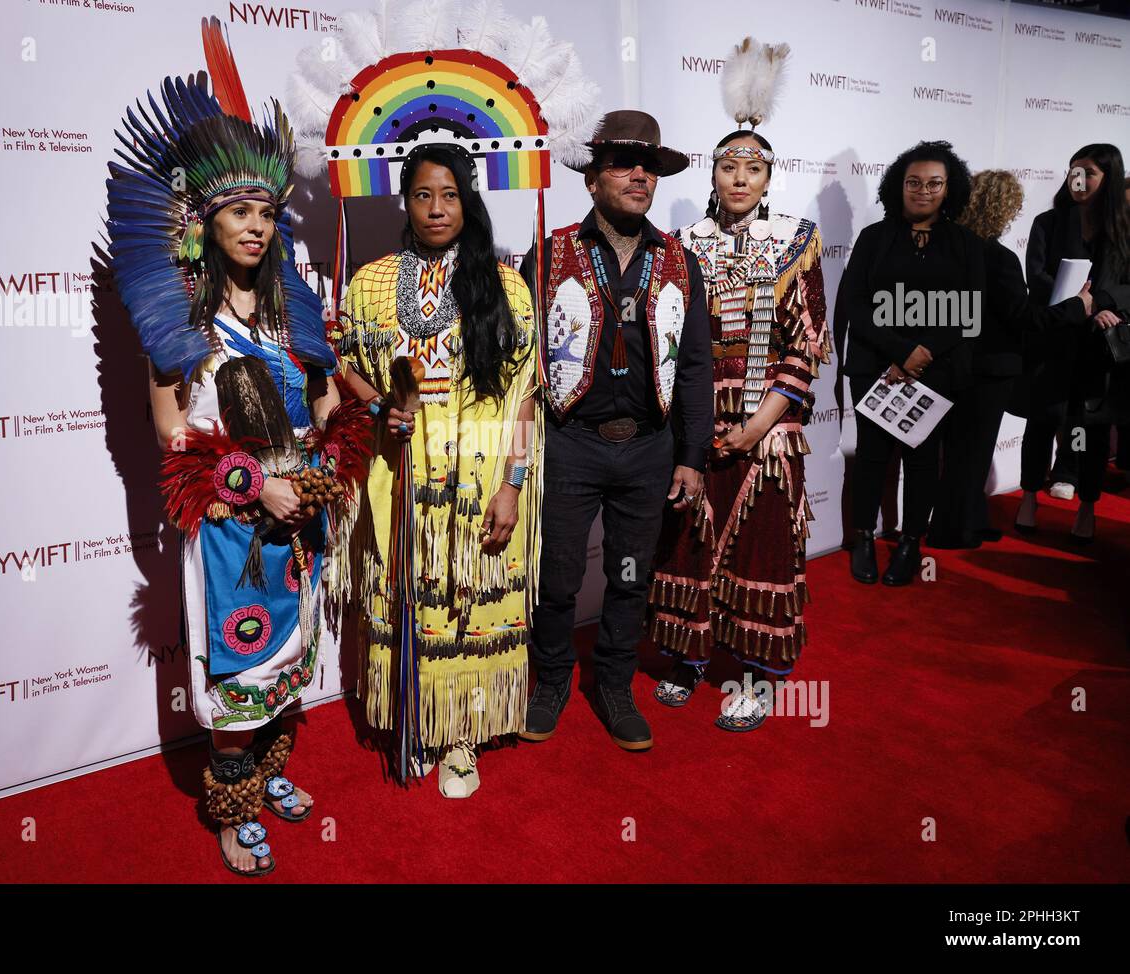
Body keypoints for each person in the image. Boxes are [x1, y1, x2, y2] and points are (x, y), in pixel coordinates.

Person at [106, 18, 364, 876]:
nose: (257, 226)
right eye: (240, 213)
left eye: (266, 212)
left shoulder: (296, 315)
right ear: (208, 224)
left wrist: (336, 456)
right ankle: (230, 803)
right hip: (230, 530)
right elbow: (174, 440)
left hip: (302, 526)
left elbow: (327, 405)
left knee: (293, 659)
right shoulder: (181, 325)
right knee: (241, 665)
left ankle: (265, 776)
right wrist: (258, 487)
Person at [334, 143, 542, 798]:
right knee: (410, 603)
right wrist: (377, 408)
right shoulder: (369, 284)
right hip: (400, 482)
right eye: (423, 194)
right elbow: (340, 360)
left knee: (470, 607)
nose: (436, 208)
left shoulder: (504, 285)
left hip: (482, 486)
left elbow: (527, 394)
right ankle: (417, 720)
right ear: (405, 200)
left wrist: (512, 486)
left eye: (450, 194)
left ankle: (461, 737)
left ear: (468, 199)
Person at [648, 37, 832, 732]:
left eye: (752, 167)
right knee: (686, 541)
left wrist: (756, 427)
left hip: (769, 429)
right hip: (694, 421)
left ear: (768, 178)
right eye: (728, 165)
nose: (739, 177)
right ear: (714, 174)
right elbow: (670, 344)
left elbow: (807, 347)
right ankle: (688, 658)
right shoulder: (685, 245)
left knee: (759, 548)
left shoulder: (795, 240)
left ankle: (757, 674)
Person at [520, 110, 713, 751]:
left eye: (648, 167)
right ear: (592, 178)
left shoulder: (682, 260)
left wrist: (692, 456)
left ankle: (614, 684)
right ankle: (549, 681)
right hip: (571, 443)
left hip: (649, 451)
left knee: (630, 574)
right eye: (623, 164)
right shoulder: (549, 254)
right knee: (559, 575)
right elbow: (524, 364)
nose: (639, 176)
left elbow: (694, 367)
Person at [843, 140, 986, 585]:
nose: (922, 191)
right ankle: (864, 537)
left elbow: (970, 310)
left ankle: (910, 543)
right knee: (871, 457)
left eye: (934, 184)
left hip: (936, 370)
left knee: (923, 459)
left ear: (950, 189)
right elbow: (854, 302)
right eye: (913, 183)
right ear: (898, 187)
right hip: (876, 367)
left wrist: (921, 354)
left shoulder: (964, 244)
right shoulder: (874, 238)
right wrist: (898, 352)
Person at [1016, 144, 1130, 541]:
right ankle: (1029, 495)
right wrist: (1078, 306)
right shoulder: (1048, 222)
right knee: (1043, 418)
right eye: (1073, 171)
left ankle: (1087, 504)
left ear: (1108, 179)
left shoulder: (1122, 231)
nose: (1077, 180)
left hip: (1097, 348)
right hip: (1053, 338)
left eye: (1088, 173)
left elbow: (1123, 286)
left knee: (1090, 429)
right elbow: (1037, 277)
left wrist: (1100, 304)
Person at [926, 170, 1028, 548]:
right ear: (1004, 208)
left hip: (953, 363)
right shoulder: (999, 258)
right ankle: (952, 531)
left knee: (960, 449)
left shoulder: (949, 249)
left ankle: (971, 519)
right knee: (972, 451)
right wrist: (1075, 306)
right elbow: (1021, 316)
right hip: (989, 368)